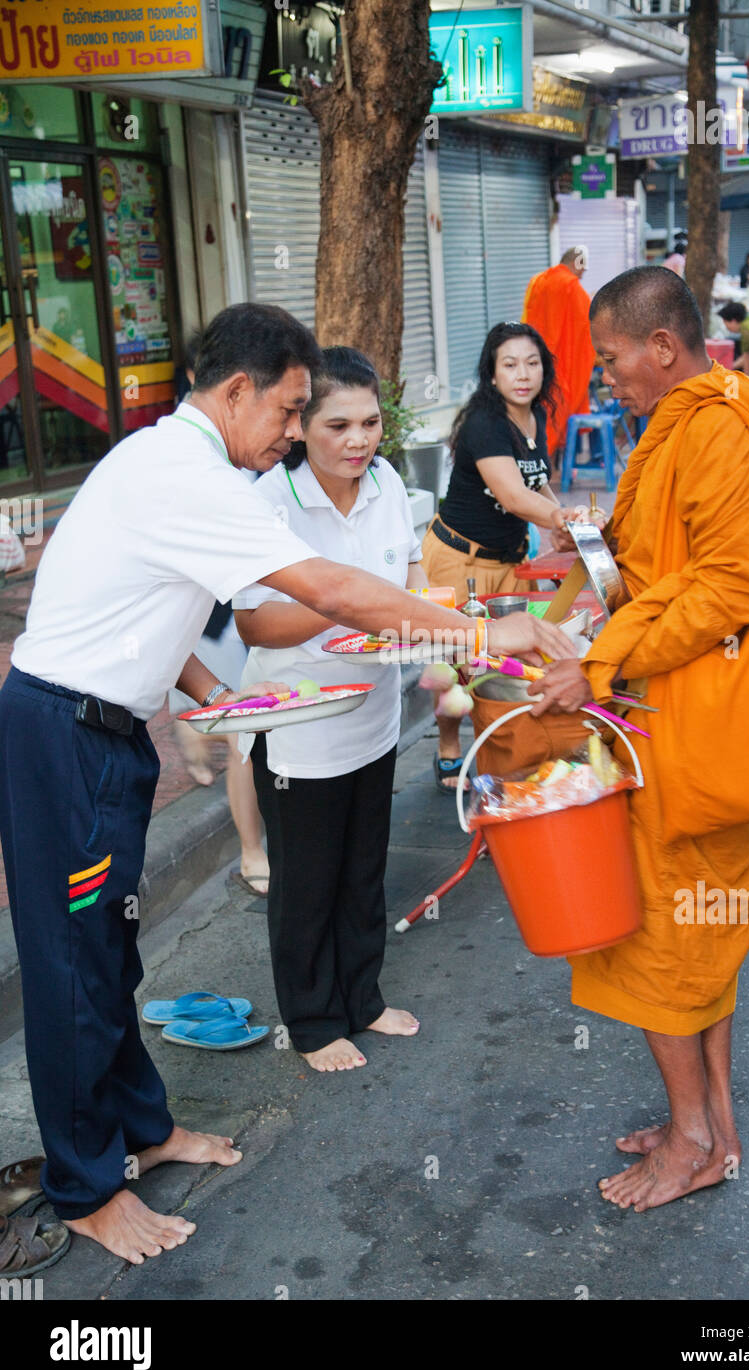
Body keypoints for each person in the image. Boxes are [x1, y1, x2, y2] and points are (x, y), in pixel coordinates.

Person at [0, 302, 573, 1270]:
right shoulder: (186, 473)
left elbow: (133, 596)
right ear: (238, 391)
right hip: (66, 739)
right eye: (293, 408)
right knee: (71, 969)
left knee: (109, 954)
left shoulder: (172, 465)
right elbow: (334, 591)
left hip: (98, 733)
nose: (295, 430)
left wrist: (206, 692)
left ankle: (145, 1129)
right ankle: (86, 1187)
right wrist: (482, 634)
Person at [529, 266, 749, 1211]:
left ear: (663, 346)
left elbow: (731, 584)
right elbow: (673, 557)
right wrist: (584, 557)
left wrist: (602, 662)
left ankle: (691, 1141)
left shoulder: (714, 427)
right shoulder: (710, 413)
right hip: (683, 710)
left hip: (694, 722)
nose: (605, 379)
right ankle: (715, 1123)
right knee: (699, 933)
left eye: (611, 360)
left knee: (662, 932)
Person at [234, 347, 424, 1073]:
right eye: (338, 424)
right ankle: (312, 1022)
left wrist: (424, 620)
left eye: (371, 422)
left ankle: (363, 997)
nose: (358, 440)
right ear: (301, 426)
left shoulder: (387, 483)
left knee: (363, 867)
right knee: (306, 880)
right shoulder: (268, 504)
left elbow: (409, 582)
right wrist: (340, 602)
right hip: (298, 725)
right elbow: (254, 624)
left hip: (374, 712)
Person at [421, 321, 581, 791]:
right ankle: (449, 750)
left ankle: (506, 759)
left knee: (509, 665)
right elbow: (513, 497)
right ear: (492, 375)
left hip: (511, 562)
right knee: (454, 663)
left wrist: (558, 520)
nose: (522, 374)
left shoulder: (535, 417)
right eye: (509, 365)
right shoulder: (484, 424)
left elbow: (535, 482)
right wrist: (562, 519)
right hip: (458, 560)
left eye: (532, 363)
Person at [169, 331, 271, 895]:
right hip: (215, 612)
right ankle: (252, 849)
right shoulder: (181, 454)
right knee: (240, 735)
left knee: (239, 730)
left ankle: (196, 733)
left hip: (253, 608)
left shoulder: (267, 450)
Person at [522, 246, 596, 454]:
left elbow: (527, 318)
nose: (583, 273)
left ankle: (536, 455)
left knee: (537, 408)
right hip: (561, 363)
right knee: (558, 408)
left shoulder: (537, 281)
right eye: (583, 268)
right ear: (576, 263)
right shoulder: (570, 286)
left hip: (534, 359)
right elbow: (588, 322)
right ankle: (550, 460)